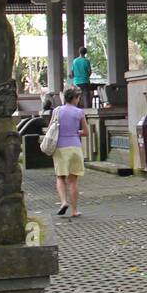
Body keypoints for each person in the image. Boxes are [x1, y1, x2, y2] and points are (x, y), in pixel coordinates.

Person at [51, 87, 88, 219]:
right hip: (75, 148)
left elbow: (51, 129)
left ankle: (63, 202)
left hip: (60, 148)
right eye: (78, 98)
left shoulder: (56, 111)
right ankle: (74, 210)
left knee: (60, 177)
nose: (79, 100)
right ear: (74, 98)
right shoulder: (79, 112)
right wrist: (76, 132)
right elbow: (86, 132)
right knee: (73, 181)